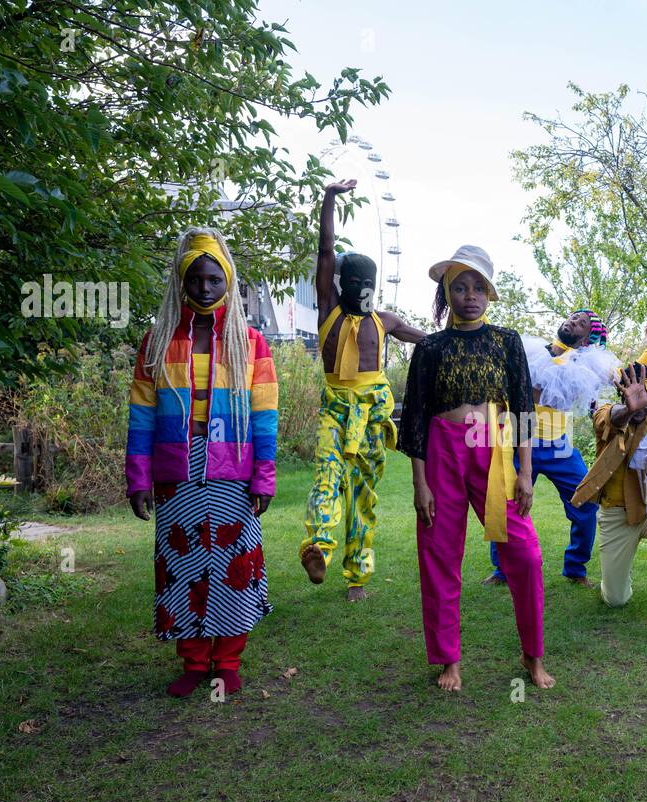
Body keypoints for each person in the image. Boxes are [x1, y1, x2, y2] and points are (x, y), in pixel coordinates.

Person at [126, 228, 277, 696]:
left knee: (235, 567)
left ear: (227, 280)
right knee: (181, 568)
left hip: (233, 473)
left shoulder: (251, 344)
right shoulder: (156, 342)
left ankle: (227, 662)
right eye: (196, 280)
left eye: (215, 280)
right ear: (181, 282)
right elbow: (142, 414)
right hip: (176, 475)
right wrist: (138, 477)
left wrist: (264, 478)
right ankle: (193, 665)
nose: (206, 289)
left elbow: (266, 417)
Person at [399, 245, 554, 691]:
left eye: (478, 287)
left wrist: (525, 472)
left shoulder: (507, 341)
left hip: (493, 448)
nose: (470, 295)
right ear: (447, 294)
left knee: (524, 553)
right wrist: (420, 482)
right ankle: (449, 660)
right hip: (442, 450)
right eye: (460, 287)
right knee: (439, 555)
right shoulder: (429, 347)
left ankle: (533, 655)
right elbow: (414, 416)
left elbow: (524, 407)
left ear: (489, 293)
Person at [298, 180, 427, 601]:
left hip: (372, 413)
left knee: (363, 496)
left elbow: (428, 340)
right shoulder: (327, 310)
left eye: (369, 281)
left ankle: (358, 577)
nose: (364, 288)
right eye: (355, 281)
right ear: (341, 283)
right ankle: (318, 545)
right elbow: (325, 250)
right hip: (335, 410)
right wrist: (330, 199)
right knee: (326, 478)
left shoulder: (385, 320)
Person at [481, 310, 647, 589]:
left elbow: (627, 375)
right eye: (573, 317)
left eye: (582, 323)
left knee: (586, 502)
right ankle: (502, 569)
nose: (574, 321)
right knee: (507, 506)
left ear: (588, 337)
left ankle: (575, 567)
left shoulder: (584, 366)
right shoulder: (530, 352)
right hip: (520, 444)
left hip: (559, 449)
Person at [571, 363, 647, 647]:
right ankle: (619, 576)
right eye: (634, 394)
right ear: (622, 393)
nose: (641, 403)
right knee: (615, 600)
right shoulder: (607, 412)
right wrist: (626, 409)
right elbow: (610, 419)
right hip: (615, 514)